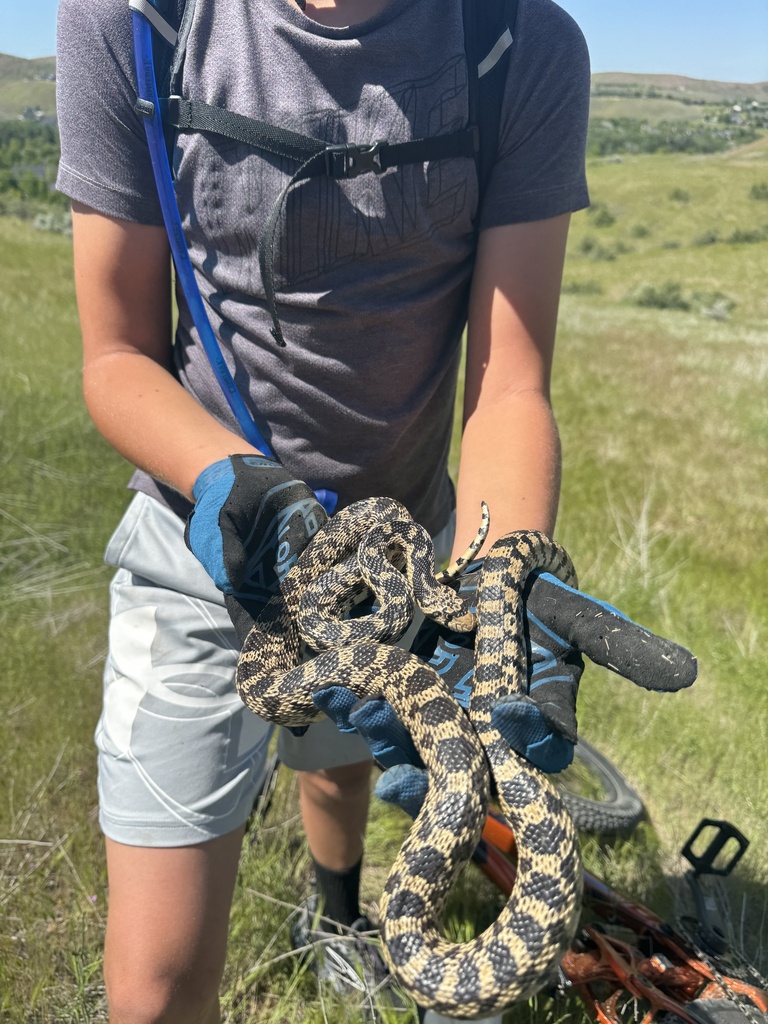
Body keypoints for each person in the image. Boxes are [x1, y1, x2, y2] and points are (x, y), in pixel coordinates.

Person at [54, 0, 694, 1020]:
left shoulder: (520, 43)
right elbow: (114, 351)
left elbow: (510, 385)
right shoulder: (132, 21)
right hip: (197, 539)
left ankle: (340, 909)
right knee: (155, 984)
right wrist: (233, 479)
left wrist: (496, 574)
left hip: (409, 553)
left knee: (345, 752)